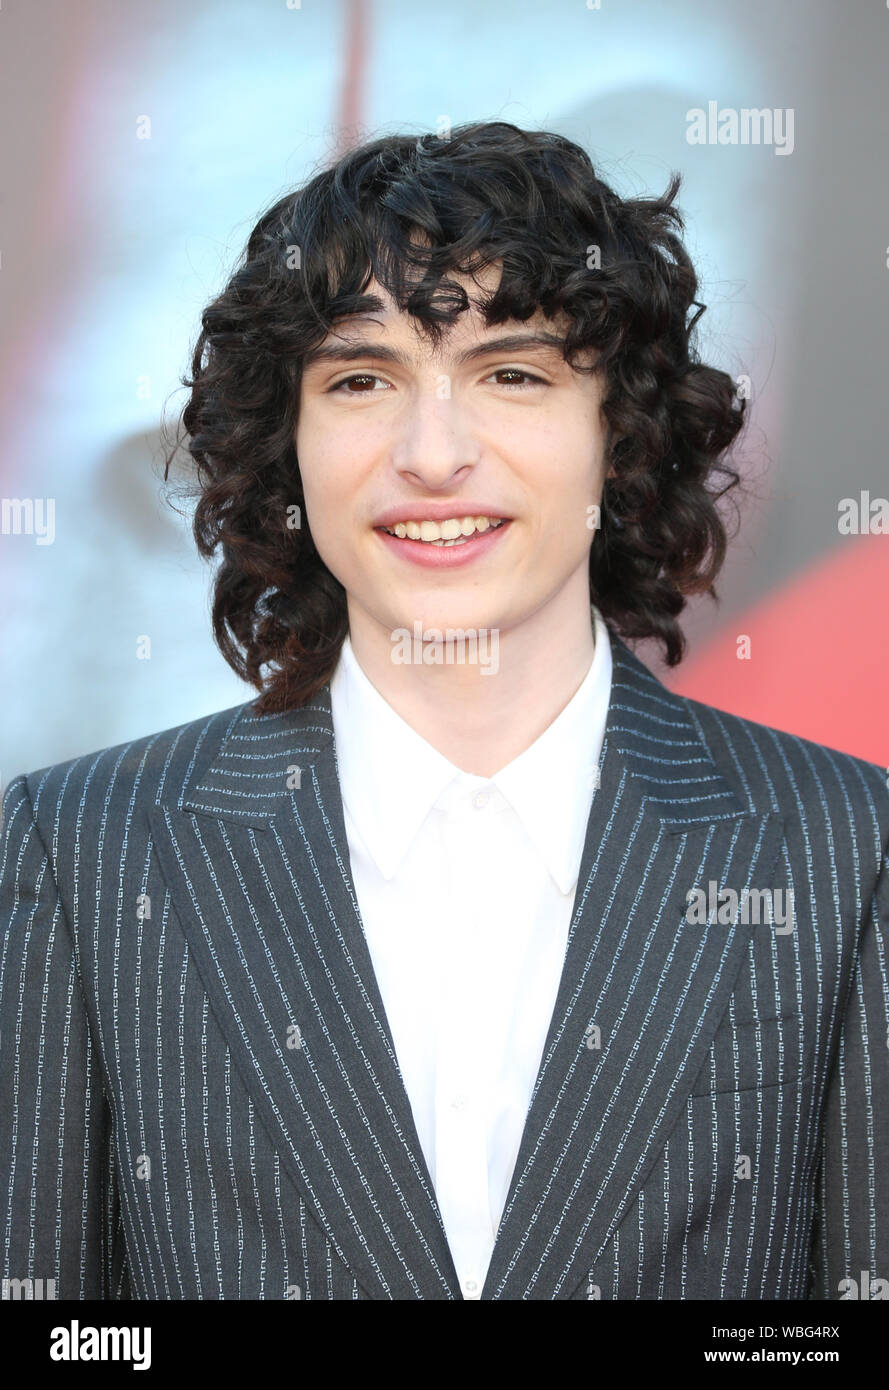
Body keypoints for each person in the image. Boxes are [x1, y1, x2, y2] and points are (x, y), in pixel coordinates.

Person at [1, 121, 886, 1302]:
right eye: (362, 380)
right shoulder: (85, 855)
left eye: (511, 373)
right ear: (290, 448)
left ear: (617, 437)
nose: (433, 454)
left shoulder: (839, 845)